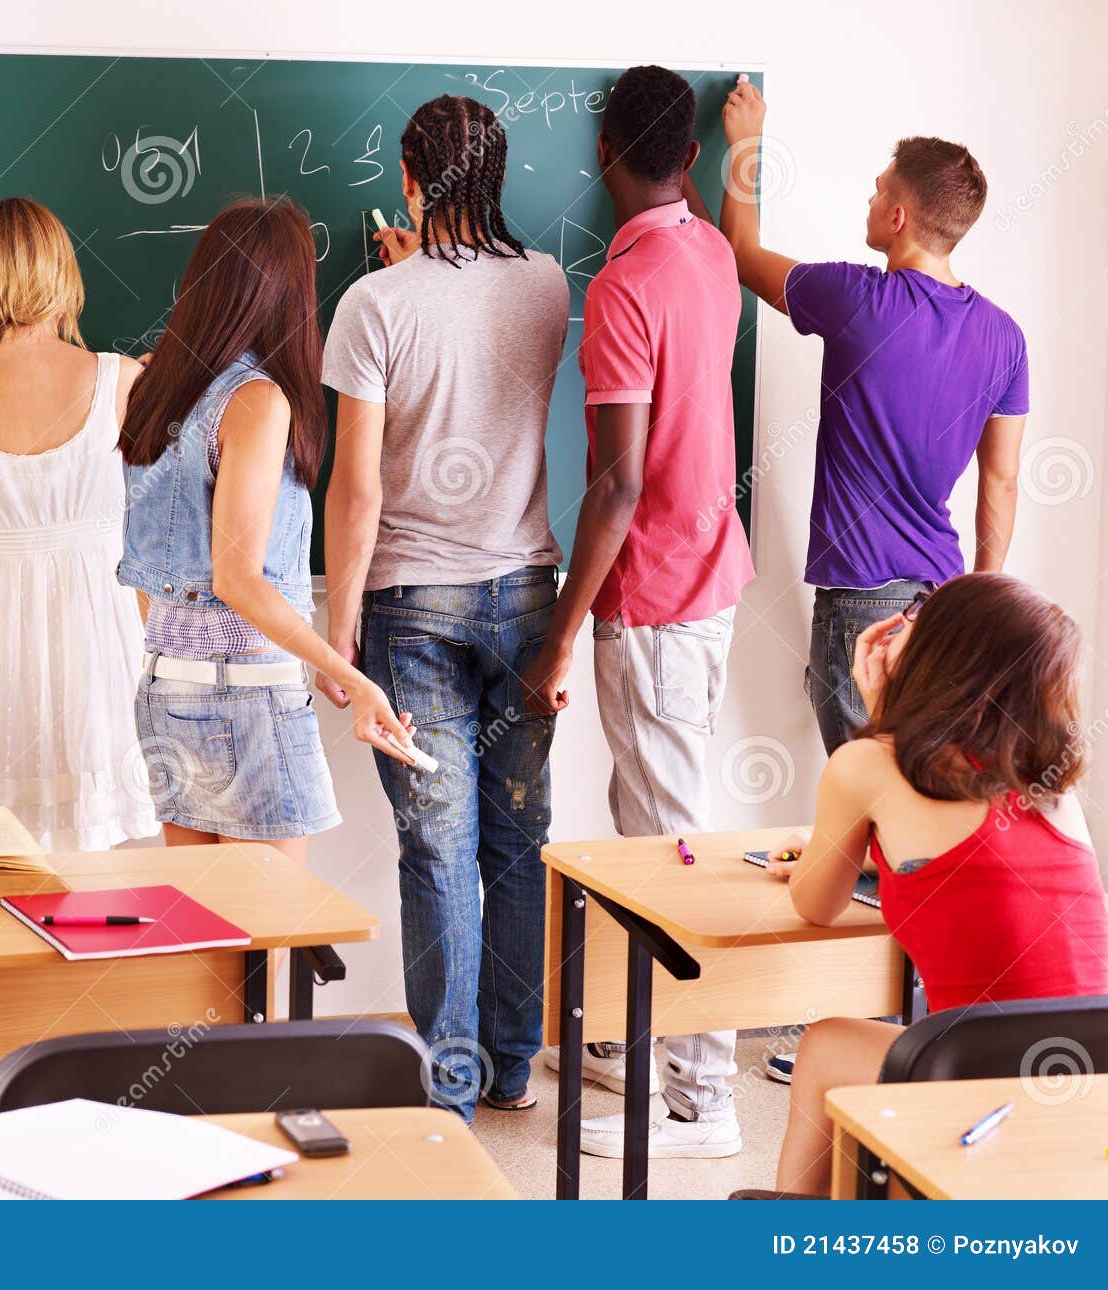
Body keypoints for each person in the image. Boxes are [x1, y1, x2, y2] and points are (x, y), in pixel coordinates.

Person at [319, 94, 568, 1121]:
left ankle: (449, 1094)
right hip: (524, 593)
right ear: (498, 178)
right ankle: (513, 1067)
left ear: (412, 180)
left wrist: (335, 625)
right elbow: (481, 360)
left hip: (409, 601)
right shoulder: (550, 284)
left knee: (435, 847)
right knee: (513, 836)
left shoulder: (374, 306)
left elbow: (357, 486)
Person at [521, 65, 755, 1157]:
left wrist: (558, 638)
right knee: (649, 817)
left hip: (653, 590)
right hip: (709, 574)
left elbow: (612, 485)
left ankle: (704, 1097)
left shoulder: (621, 289)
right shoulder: (706, 251)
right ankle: (629, 1035)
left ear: (602, 149)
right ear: (692, 161)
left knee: (668, 841)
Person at [746, 574, 1108, 1198]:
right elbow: (977, 865)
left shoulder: (864, 765)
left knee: (827, 1044)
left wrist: (876, 723)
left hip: (974, 1075)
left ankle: (793, 1243)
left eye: (916, 617)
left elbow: (815, 905)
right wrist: (861, 845)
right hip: (1090, 1070)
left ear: (943, 657)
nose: (901, 624)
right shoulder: (1051, 784)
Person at [710, 77, 1028, 755]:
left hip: (861, 607)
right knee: (918, 803)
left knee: (866, 804)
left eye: (881, 189)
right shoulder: (1005, 337)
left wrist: (746, 145)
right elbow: (1001, 482)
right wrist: (978, 601)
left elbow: (739, 251)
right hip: (940, 602)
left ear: (900, 218)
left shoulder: (857, 300)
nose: (871, 196)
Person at [118, 197, 416, 861]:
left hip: (167, 689)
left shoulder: (148, 386)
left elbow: (149, 569)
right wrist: (357, 680)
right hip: (248, 700)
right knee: (271, 948)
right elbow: (238, 577)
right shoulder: (256, 401)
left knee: (210, 942)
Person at [0, 196, 158, 848]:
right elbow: (164, 524)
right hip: (104, 622)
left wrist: (4, 498)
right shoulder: (121, 379)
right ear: (62, 271)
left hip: (4, 625)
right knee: (101, 834)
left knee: (10, 835)